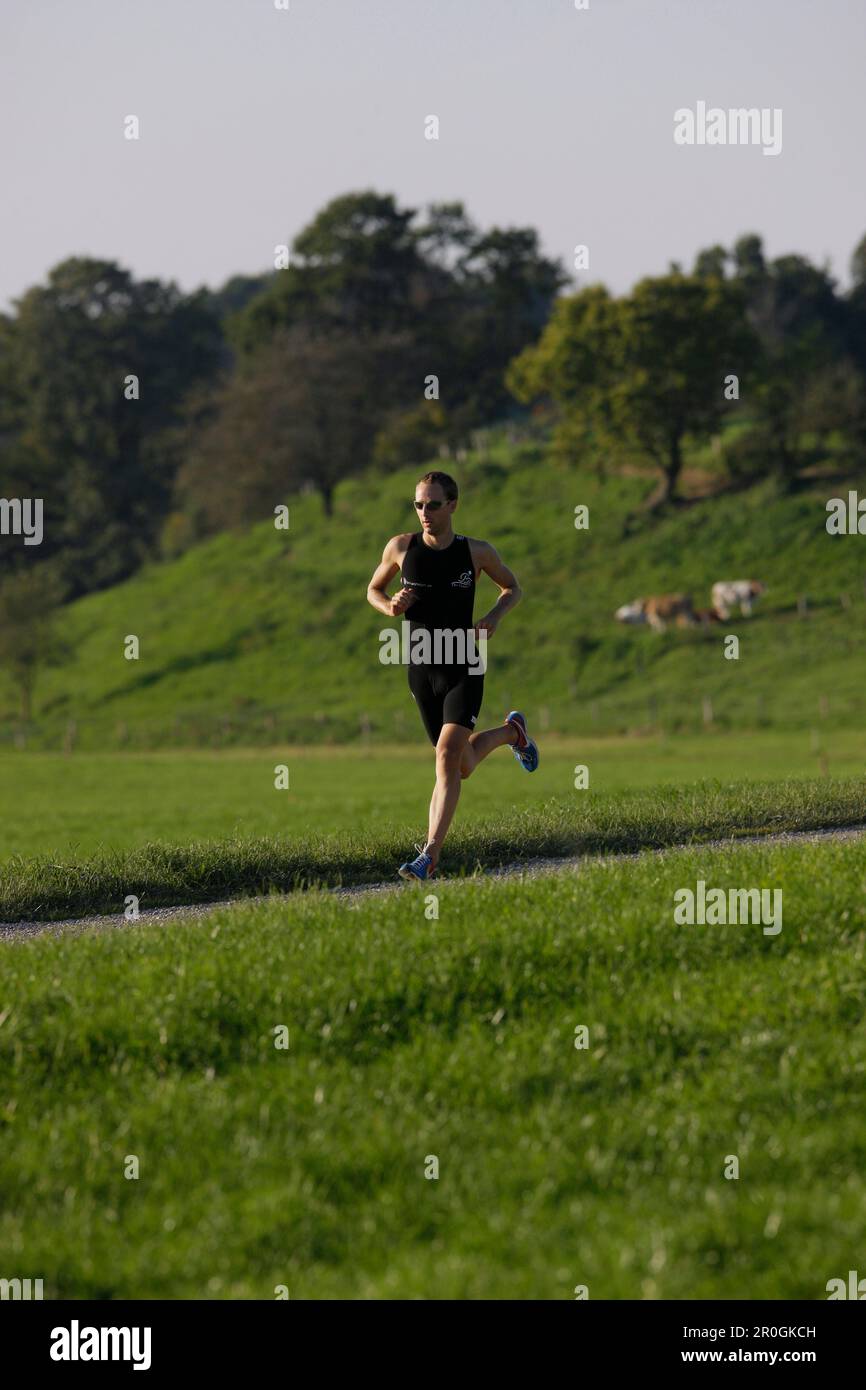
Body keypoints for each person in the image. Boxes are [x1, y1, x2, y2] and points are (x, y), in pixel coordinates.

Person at [366, 470, 538, 881]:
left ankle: (429, 855)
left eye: (433, 504)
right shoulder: (400, 547)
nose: (425, 512)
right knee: (460, 764)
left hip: (464, 663)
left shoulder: (475, 552)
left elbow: (512, 587)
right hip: (421, 670)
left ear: (453, 505)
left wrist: (494, 617)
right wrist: (390, 605)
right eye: (419, 505)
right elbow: (372, 590)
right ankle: (513, 733)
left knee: (445, 758)